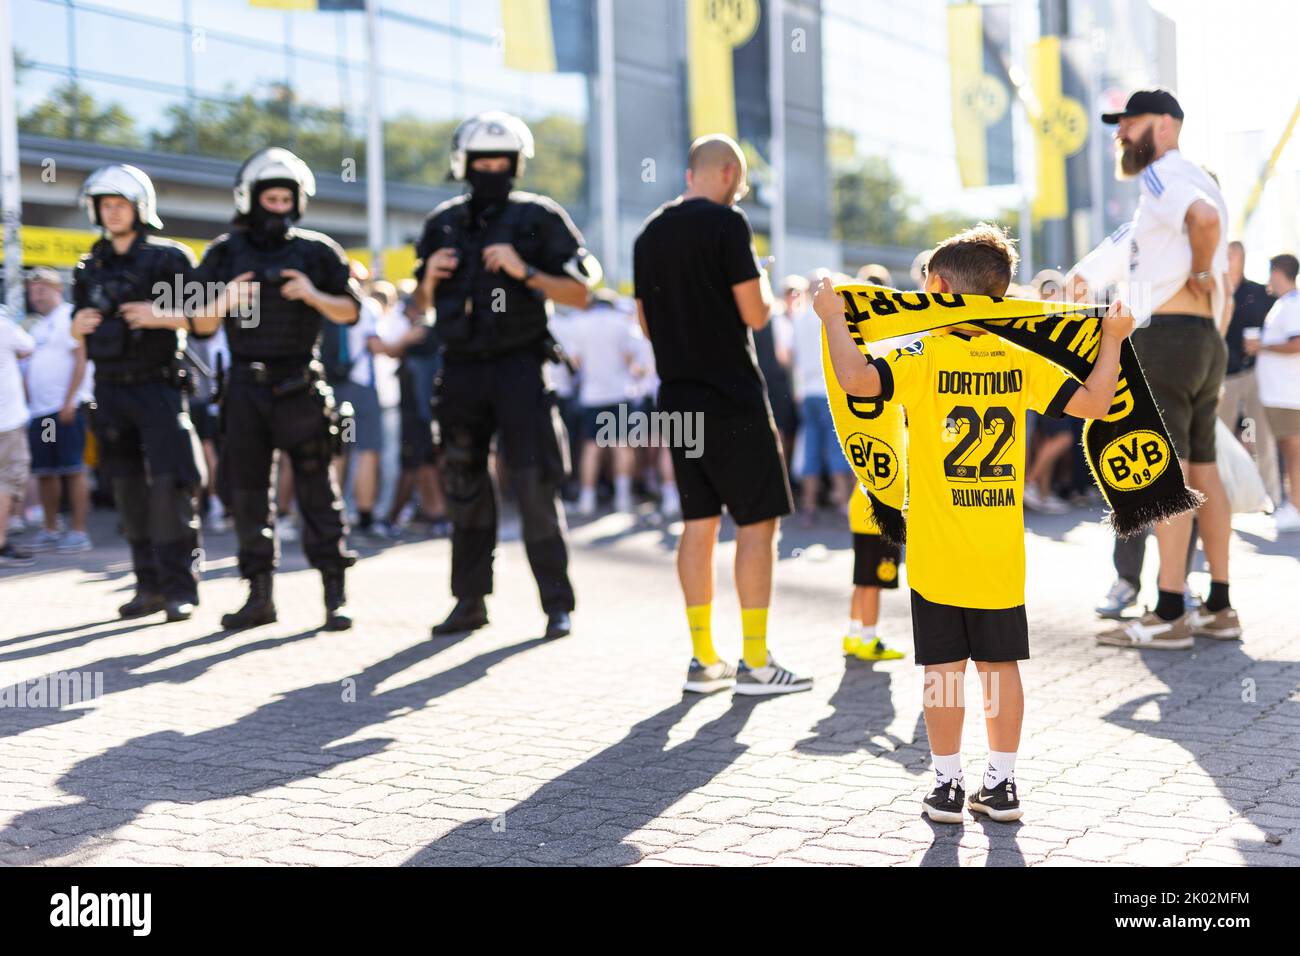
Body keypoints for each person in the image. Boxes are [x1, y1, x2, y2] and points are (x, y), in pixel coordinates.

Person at [816, 223, 1133, 823]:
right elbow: (1095, 404)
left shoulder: (920, 352)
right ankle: (1003, 783)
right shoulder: (1020, 357)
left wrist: (834, 319)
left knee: (942, 671)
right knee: (1000, 667)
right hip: (999, 548)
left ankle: (945, 785)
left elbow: (857, 381)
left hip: (937, 547)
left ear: (935, 287)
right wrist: (1113, 338)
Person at [414, 111, 600, 641]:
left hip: (521, 368)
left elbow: (582, 293)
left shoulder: (540, 217)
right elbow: (417, 309)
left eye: (502, 161)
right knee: (464, 486)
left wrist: (525, 271)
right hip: (461, 372)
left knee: (536, 485)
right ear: (463, 164)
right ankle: (469, 602)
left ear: (517, 164)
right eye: (483, 161)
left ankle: (556, 606)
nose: (493, 169)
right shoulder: (441, 223)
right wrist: (428, 279)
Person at [634, 133, 807, 696]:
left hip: (676, 397)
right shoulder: (729, 225)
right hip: (730, 395)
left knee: (698, 524)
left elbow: (645, 322)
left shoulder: (649, 232)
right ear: (729, 172)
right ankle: (755, 662)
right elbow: (755, 315)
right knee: (758, 524)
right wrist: (756, 271)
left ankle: (704, 658)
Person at [1066, 89, 1239, 645]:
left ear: (1164, 126)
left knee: (1167, 476)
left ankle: (1168, 614)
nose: (1120, 134)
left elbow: (1204, 221)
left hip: (1167, 339)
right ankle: (1218, 604)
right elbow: (1130, 246)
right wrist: (1080, 278)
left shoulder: (1163, 175)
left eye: (1130, 123)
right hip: (1204, 341)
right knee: (1204, 474)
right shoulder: (1181, 182)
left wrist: (1206, 275)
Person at [188, 147, 361, 631]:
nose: (278, 205)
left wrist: (312, 294)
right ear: (251, 198)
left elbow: (350, 311)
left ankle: (335, 595)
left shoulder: (318, 250)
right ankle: (259, 596)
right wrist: (224, 298)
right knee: (247, 494)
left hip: (301, 385)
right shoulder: (224, 251)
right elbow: (199, 325)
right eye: (271, 196)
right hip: (245, 386)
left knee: (317, 492)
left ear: (298, 201)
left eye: (287, 197)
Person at [70, 164, 206, 621]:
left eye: (120, 204)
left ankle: (178, 589)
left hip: (158, 386)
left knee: (171, 487)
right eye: (105, 205)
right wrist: (76, 326)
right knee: (126, 489)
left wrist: (160, 313)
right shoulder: (90, 264)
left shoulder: (169, 258)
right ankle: (146, 585)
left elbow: (204, 318)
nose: (111, 213)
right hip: (109, 390)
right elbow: (78, 322)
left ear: (139, 208)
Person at [22, 267, 94, 553]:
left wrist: (70, 400)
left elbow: (81, 359)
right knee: (46, 470)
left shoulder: (69, 316)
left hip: (65, 409)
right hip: (41, 413)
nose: (36, 295)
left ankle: (79, 531)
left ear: (57, 289)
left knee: (73, 468)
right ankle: (50, 529)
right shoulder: (37, 326)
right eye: (32, 290)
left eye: (42, 289)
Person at [782, 270, 853, 523]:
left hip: (806, 393)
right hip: (829, 390)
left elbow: (787, 357)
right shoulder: (832, 317)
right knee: (837, 449)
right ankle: (844, 504)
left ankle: (809, 506)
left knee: (810, 449)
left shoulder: (799, 319)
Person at [322, 261, 385, 541]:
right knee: (367, 450)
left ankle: (333, 513)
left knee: (339, 451)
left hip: (332, 388)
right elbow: (376, 346)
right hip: (360, 388)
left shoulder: (323, 304)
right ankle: (365, 516)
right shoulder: (366, 306)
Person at [567, 288, 640, 516]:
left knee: (591, 448)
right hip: (618, 392)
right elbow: (630, 359)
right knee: (621, 446)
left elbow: (575, 362)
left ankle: (587, 498)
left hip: (592, 394)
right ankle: (623, 497)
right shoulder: (622, 324)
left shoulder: (578, 324)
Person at [1218, 241, 1279, 504]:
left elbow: (1278, 325)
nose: (1229, 260)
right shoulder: (1214, 292)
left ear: (1242, 259)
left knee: (1260, 435)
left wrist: (1262, 342)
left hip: (1253, 374)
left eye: (1233, 256)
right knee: (1220, 439)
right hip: (1222, 376)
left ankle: (1271, 497)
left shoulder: (1259, 292)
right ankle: (1222, 498)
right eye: (1226, 256)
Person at [1246, 253, 1300, 532]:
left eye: (1271, 273)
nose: (1268, 280)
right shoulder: (1285, 304)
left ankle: (1295, 507)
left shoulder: (1292, 304)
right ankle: (1293, 505)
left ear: (1278, 272)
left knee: (1293, 451)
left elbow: (1297, 344)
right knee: (1290, 449)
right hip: (1281, 393)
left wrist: (1262, 347)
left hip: (1288, 393)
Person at [1023, 270, 1074, 514]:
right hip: (1048, 385)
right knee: (1062, 439)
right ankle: (1031, 484)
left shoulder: (1037, 315)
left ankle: (1042, 494)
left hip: (1042, 385)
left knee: (1046, 440)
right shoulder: (1048, 316)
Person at [844, 483, 905, 662]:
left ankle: (854, 635)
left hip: (863, 511)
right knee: (873, 583)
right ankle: (869, 639)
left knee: (863, 580)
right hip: (879, 518)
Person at [0, 315, 36, 567]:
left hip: (8, 419)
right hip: (6, 420)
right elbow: (27, 348)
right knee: (7, 480)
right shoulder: (3, 324)